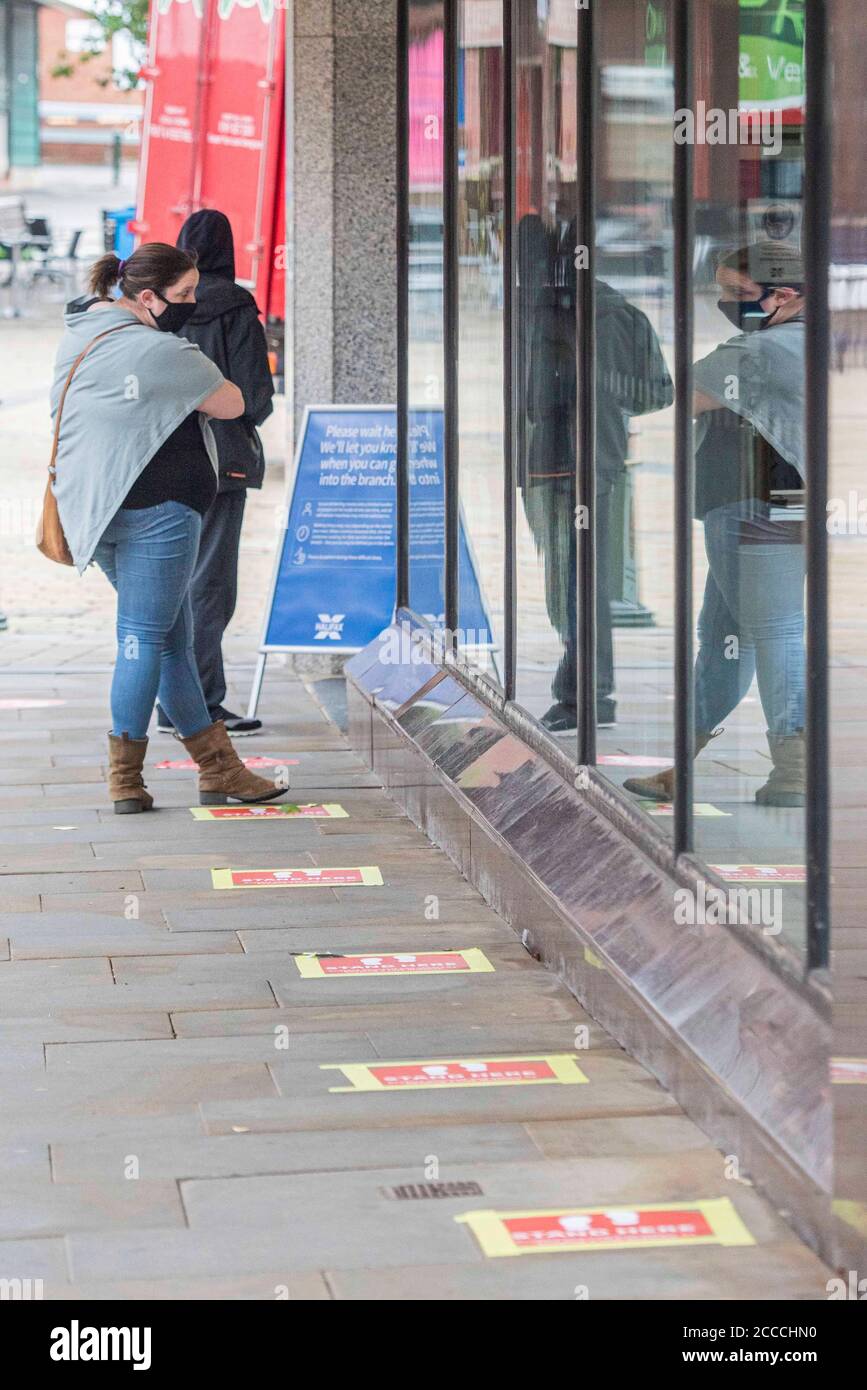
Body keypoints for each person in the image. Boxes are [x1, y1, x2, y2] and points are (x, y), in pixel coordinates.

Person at [49, 243, 287, 813]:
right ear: (148, 297)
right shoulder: (165, 352)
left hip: (93, 511)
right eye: (183, 296)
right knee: (142, 639)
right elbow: (233, 404)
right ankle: (125, 779)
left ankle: (218, 769)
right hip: (160, 515)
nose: (192, 304)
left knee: (173, 642)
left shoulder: (79, 336)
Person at [625, 241, 806, 807]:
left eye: (737, 293)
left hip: (752, 507)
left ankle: (796, 769)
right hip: (782, 507)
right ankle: (683, 765)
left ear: (784, 295)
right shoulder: (814, 343)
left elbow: (679, 393)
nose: (726, 303)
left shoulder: (764, 351)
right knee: (726, 636)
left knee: (771, 632)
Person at [518, 216, 673, 732]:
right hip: (578, 462)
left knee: (574, 587)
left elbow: (655, 390)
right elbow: (655, 392)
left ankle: (583, 692)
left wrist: (599, 388)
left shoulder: (582, 314)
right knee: (573, 585)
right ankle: (584, 688)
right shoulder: (609, 311)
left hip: (571, 464)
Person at [154, 209, 275, 737]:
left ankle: (167, 699)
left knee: (168, 579)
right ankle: (201, 702)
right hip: (221, 462)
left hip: (161, 458)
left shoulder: (159, 305)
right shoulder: (236, 306)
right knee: (211, 582)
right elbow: (255, 395)